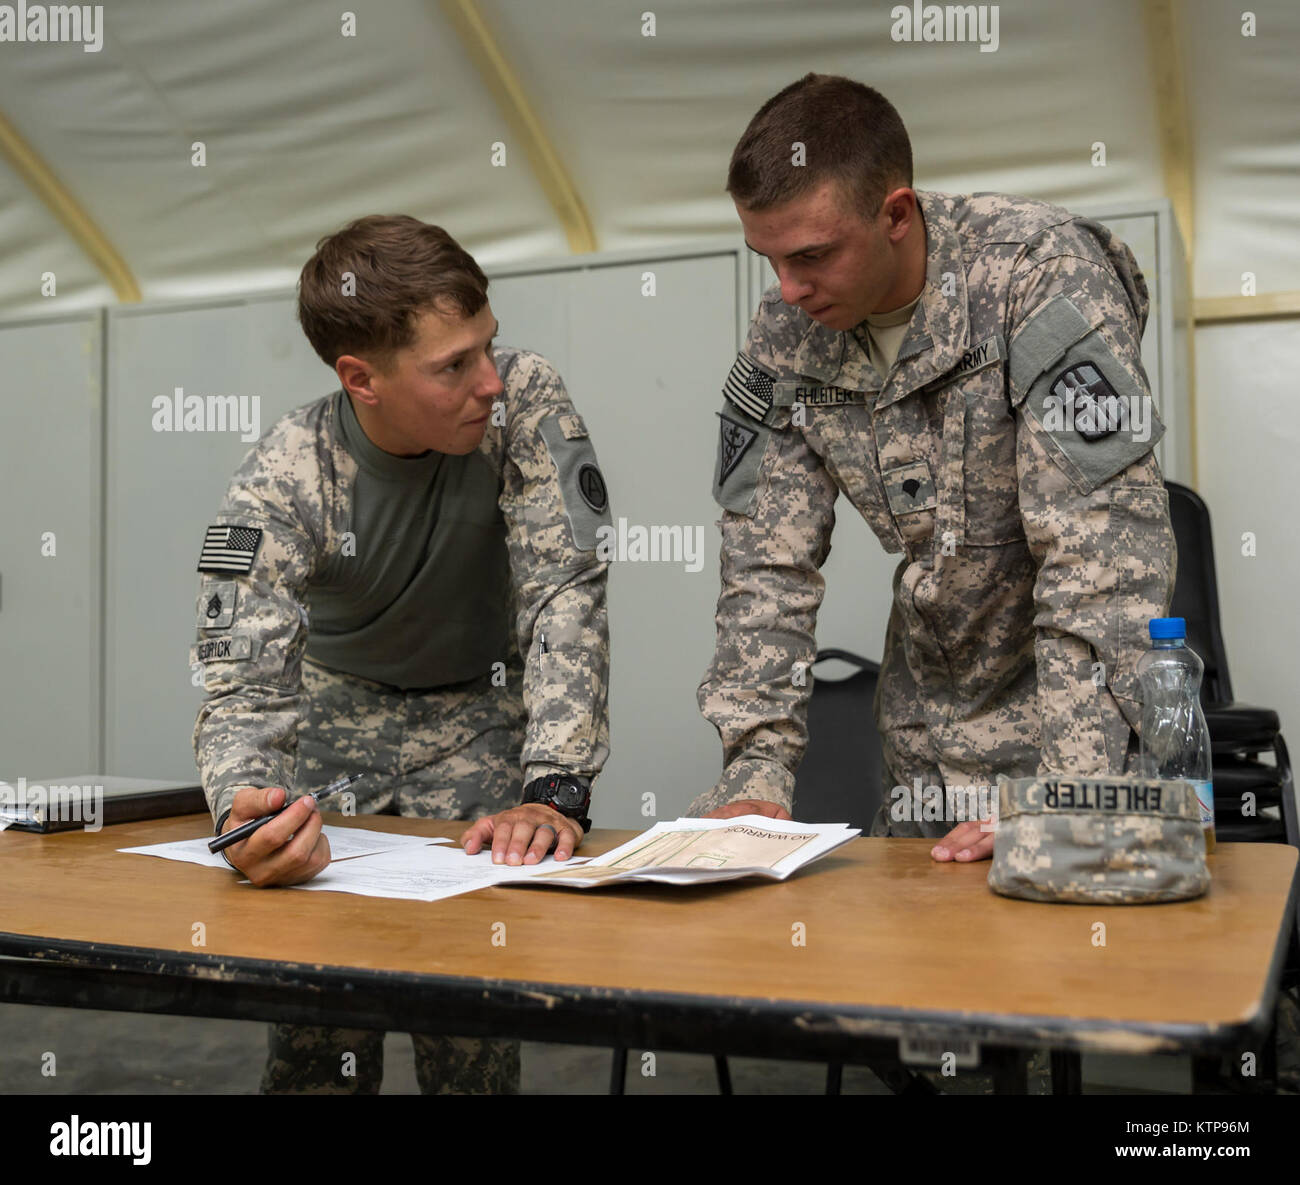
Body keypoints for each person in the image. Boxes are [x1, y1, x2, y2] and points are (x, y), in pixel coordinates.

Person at [691, 73, 1176, 867]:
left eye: (812, 255)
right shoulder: (786, 331)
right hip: (925, 740)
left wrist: (1074, 793)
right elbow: (762, 564)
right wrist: (756, 769)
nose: (787, 289)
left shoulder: (1039, 275)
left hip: (1079, 735)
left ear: (896, 214)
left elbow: (1105, 554)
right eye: (768, 259)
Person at [190, 214, 611, 1093]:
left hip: (475, 728)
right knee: (316, 1037)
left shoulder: (525, 401)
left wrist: (555, 785)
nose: (488, 381)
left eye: (486, 344)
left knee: (471, 1038)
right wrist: (246, 814)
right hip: (332, 742)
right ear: (361, 378)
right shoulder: (282, 477)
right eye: (452, 365)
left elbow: (562, 593)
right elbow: (240, 677)